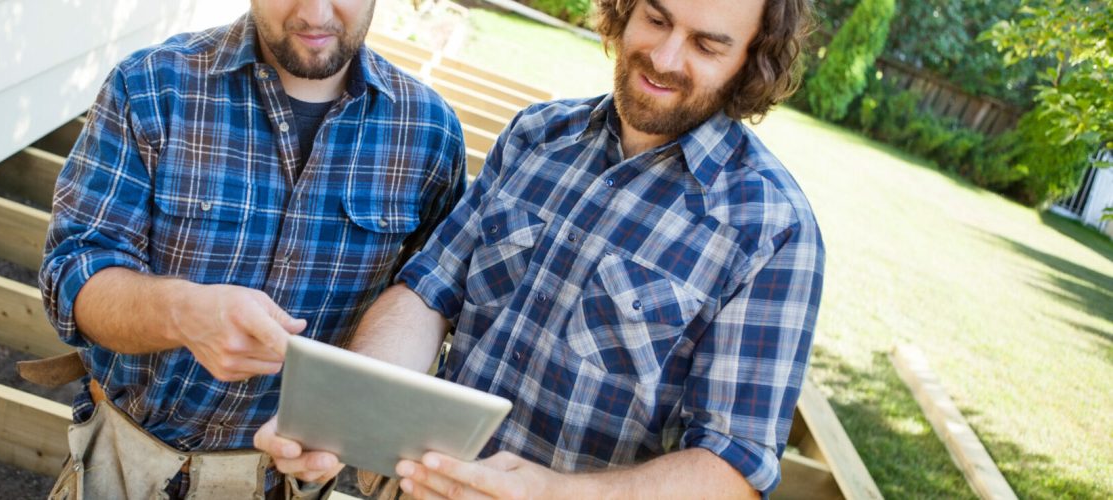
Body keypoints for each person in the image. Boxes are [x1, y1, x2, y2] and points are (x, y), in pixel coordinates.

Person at [256, 0, 824, 497]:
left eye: (706, 44)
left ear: (752, 60)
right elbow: (428, 292)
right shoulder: (537, 136)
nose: (666, 57)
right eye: (656, 18)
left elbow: (734, 467)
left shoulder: (769, 227)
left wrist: (549, 493)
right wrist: (349, 411)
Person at [34, 0, 467, 496]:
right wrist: (180, 312)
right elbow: (73, 273)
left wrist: (350, 428)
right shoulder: (152, 85)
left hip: (280, 482)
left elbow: (423, 305)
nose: (316, 13)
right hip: (123, 462)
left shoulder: (431, 136)